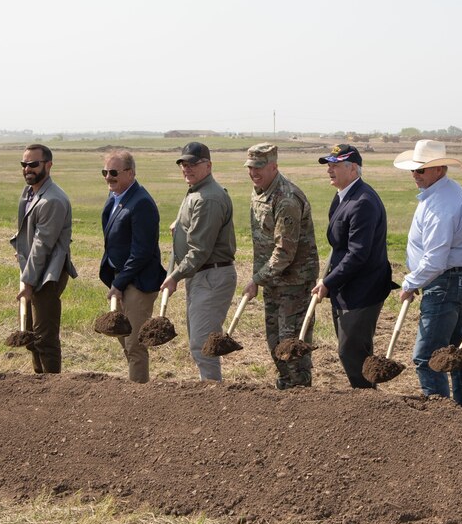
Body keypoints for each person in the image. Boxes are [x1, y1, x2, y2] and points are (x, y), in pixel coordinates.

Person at [394, 140, 462, 411]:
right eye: (414, 170)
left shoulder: (442, 205)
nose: (415, 175)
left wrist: (410, 282)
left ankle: (441, 420)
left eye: (421, 170)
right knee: (456, 354)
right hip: (452, 279)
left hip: (444, 281)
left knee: (428, 357)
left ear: (439, 169)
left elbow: (435, 259)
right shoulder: (445, 192)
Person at [311, 144, 394, 388]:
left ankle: (369, 404)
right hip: (346, 287)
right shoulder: (343, 197)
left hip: (363, 289)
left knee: (352, 352)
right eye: (329, 165)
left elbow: (358, 253)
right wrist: (329, 280)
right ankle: (364, 400)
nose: (330, 170)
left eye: (336, 165)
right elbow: (340, 248)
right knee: (349, 351)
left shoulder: (362, 201)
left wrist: (328, 281)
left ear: (354, 168)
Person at [243, 143, 320, 389]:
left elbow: (285, 252)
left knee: (292, 345)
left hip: (294, 284)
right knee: (274, 341)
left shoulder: (286, 198)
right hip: (274, 282)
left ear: (273, 167)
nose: (254, 172)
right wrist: (263, 278)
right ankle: (286, 387)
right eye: (250, 167)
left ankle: (299, 392)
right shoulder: (259, 192)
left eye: (259, 167)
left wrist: (257, 279)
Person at [160, 142, 237, 381]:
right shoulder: (196, 191)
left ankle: (213, 396)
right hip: (201, 276)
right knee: (199, 341)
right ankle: (211, 392)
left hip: (211, 276)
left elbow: (200, 250)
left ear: (208, 165)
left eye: (193, 164)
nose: (187, 168)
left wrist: (174, 276)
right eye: (183, 164)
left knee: (203, 344)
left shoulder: (208, 198)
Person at [99, 149, 166, 383]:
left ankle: (138, 396)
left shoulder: (142, 203)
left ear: (130, 173)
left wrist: (119, 282)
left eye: (114, 172)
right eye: (105, 172)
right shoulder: (116, 197)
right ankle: (135, 386)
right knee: (121, 335)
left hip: (139, 281)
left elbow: (142, 252)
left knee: (135, 342)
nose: (109, 177)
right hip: (122, 277)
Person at [11, 144, 77, 374]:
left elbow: (43, 245)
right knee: (31, 334)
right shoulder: (30, 193)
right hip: (33, 269)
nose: (27, 169)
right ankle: (38, 383)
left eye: (33, 164)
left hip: (49, 274)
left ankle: (52, 391)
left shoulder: (53, 200)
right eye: (24, 164)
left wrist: (28, 282)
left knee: (44, 337)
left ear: (48, 165)